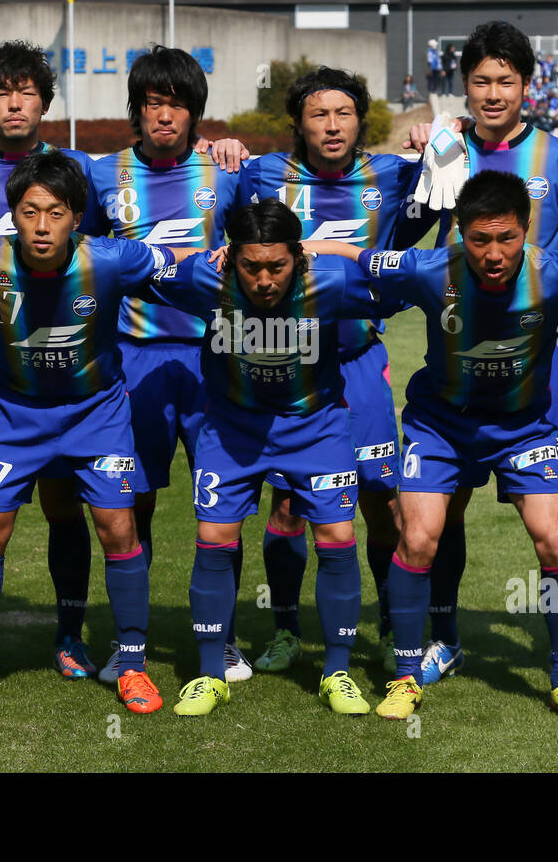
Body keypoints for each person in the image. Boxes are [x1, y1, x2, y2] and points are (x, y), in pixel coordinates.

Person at [306, 169, 558, 723]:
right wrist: (292, 248)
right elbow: (353, 254)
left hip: (523, 429)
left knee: (556, 540)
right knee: (417, 538)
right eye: (479, 239)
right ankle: (406, 676)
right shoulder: (428, 268)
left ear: (526, 229)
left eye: (507, 238)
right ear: (459, 234)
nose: (493, 254)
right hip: (440, 427)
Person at [0, 150, 197, 715]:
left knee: (119, 529)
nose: (42, 226)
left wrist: (231, 263)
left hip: (97, 416)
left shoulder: (111, 258)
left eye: (56, 213)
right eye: (30, 212)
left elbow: (177, 263)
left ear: (77, 216)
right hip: (13, 417)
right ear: (13, 216)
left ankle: (132, 664)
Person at [400, 20, 558, 687]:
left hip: (539, 369)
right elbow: (404, 234)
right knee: (443, 508)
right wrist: (421, 151)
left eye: (506, 81)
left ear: (526, 86)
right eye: (481, 81)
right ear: (464, 86)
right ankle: (445, 638)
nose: (493, 94)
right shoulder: (444, 150)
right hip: (456, 367)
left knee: (556, 515)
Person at [146, 198, 396, 716]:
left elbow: (405, 285)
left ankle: (337, 672)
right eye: (250, 266)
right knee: (215, 536)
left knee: (337, 536)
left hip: (316, 428)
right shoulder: (206, 279)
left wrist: (332, 249)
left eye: (277, 267)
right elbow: (134, 267)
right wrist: (199, 253)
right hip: (232, 429)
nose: (263, 281)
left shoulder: (331, 281)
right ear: (230, 258)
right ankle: (211, 674)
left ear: (298, 259)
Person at [235, 66, 424, 676]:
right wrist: (219, 147)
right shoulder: (263, 175)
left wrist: (440, 137)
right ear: (299, 123)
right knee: (290, 504)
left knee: (380, 498)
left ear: (360, 120)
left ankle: (393, 626)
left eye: (344, 113)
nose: (333, 125)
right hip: (286, 365)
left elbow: (454, 189)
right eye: (319, 114)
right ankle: (286, 629)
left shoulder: (392, 175)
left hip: (358, 362)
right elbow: (217, 208)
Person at [0, 39, 100, 684]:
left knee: (63, 505)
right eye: (2, 92)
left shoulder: (78, 167)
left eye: (26, 92)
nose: (14, 103)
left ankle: (70, 635)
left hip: (58, 371)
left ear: (45, 102)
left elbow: (98, 257)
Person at [82, 46, 246, 683]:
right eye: (153, 103)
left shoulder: (226, 175)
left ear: (195, 111)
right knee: (133, 505)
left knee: (221, 506)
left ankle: (222, 639)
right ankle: (131, 644)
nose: (164, 115)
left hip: (212, 359)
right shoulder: (102, 175)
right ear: (137, 109)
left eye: (177, 104)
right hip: (131, 361)